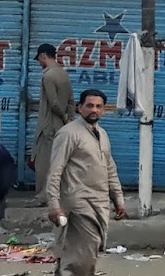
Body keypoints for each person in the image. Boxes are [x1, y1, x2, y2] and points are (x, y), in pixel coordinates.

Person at [45, 89, 128, 276]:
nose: (94, 110)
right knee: (83, 254)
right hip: (78, 204)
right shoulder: (68, 134)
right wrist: (53, 205)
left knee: (82, 253)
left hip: (99, 203)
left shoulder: (102, 134)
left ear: (104, 110)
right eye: (89, 105)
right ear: (79, 107)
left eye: (99, 107)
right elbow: (55, 171)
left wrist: (119, 200)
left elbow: (110, 169)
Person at [32, 43, 74, 206]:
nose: (39, 63)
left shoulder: (48, 76)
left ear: (43, 56)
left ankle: (43, 196)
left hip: (48, 125)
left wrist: (62, 116)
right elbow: (71, 100)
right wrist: (69, 119)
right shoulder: (63, 74)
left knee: (43, 162)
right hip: (62, 125)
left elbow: (53, 103)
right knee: (59, 161)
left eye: (39, 59)